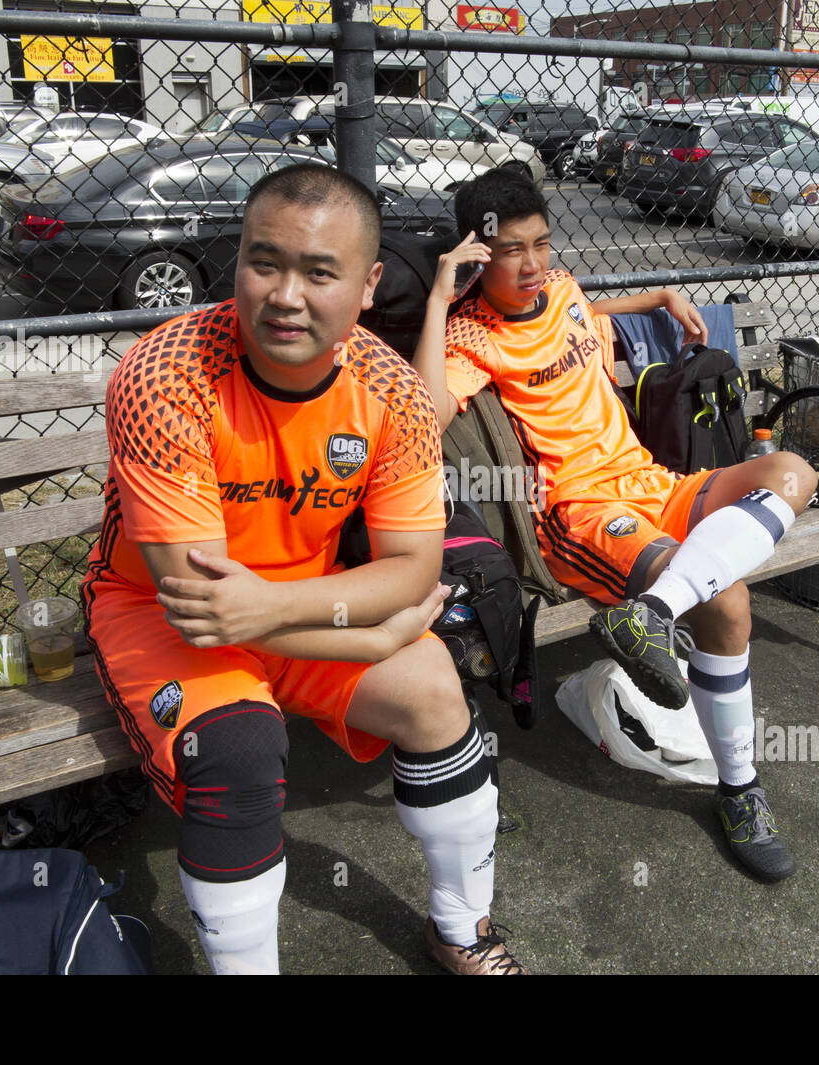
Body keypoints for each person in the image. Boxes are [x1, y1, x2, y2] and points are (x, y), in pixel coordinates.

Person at [81, 163, 526, 975]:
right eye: (265, 261)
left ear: (367, 285)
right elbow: (201, 603)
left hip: (292, 603)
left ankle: (461, 928)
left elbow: (411, 566)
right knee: (239, 750)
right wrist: (365, 635)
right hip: (163, 612)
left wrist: (327, 611)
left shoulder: (392, 389)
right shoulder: (163, 372)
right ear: (237, 261)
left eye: (320, 272)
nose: (285, 294)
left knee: (436, 691)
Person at [411, 167, 818, 882]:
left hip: (650, 482)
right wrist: (442, 300)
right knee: (726, 601)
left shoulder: (561, 290)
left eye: (542, 243)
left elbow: (582, 304)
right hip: (581, 514)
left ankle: (652, 614)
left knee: (794, 473)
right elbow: (422, 419)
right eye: (512, 251)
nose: (534, 263)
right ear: (479, 256)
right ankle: (741, 788)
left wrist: (661, 295)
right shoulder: (473, 336)